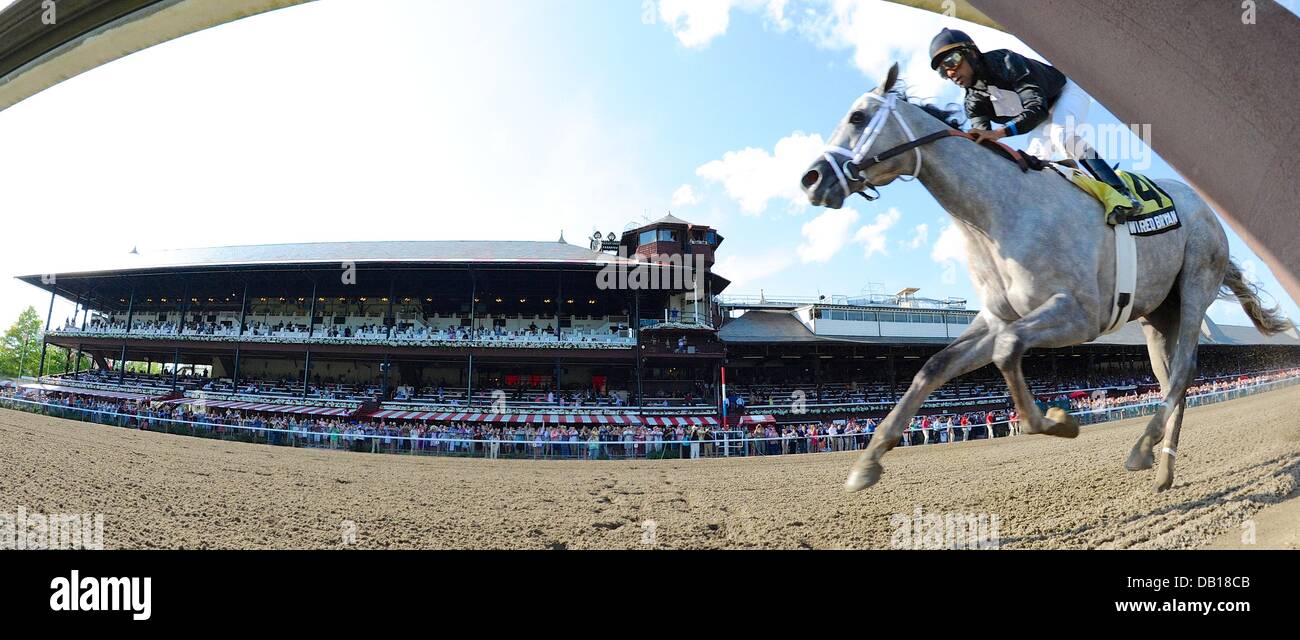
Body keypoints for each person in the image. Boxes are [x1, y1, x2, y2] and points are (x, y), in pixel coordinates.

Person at [929, 27, 1143, 225]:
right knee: (1034, 164)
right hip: (1041, 120)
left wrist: (999, 133)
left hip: (1065, 93)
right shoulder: (973, 103)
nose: (950, 73)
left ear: (972, 53)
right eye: (942, 70)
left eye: (952, 61)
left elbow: (1037, 107)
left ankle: (1122, 193)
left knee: (1062, 135)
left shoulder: (1005, 61)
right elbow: (985, 141)